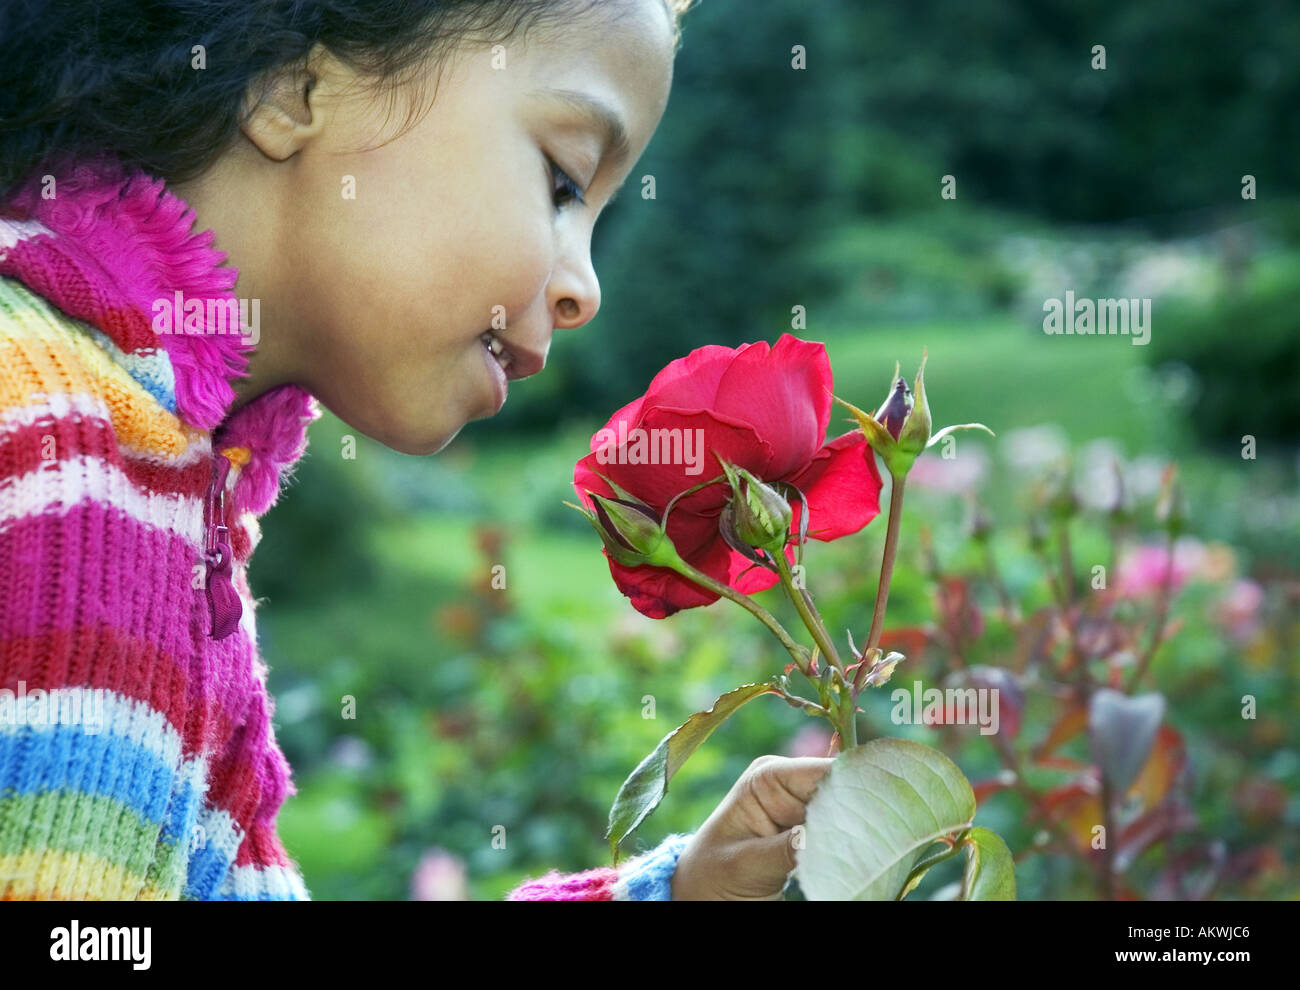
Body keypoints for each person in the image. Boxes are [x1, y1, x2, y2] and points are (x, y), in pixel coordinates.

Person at [0, 0, 831, 901]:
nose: (583, 286)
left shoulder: (160, 469)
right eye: (563, 181)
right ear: (291, 90)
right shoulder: (53, 441)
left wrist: (671, 896)